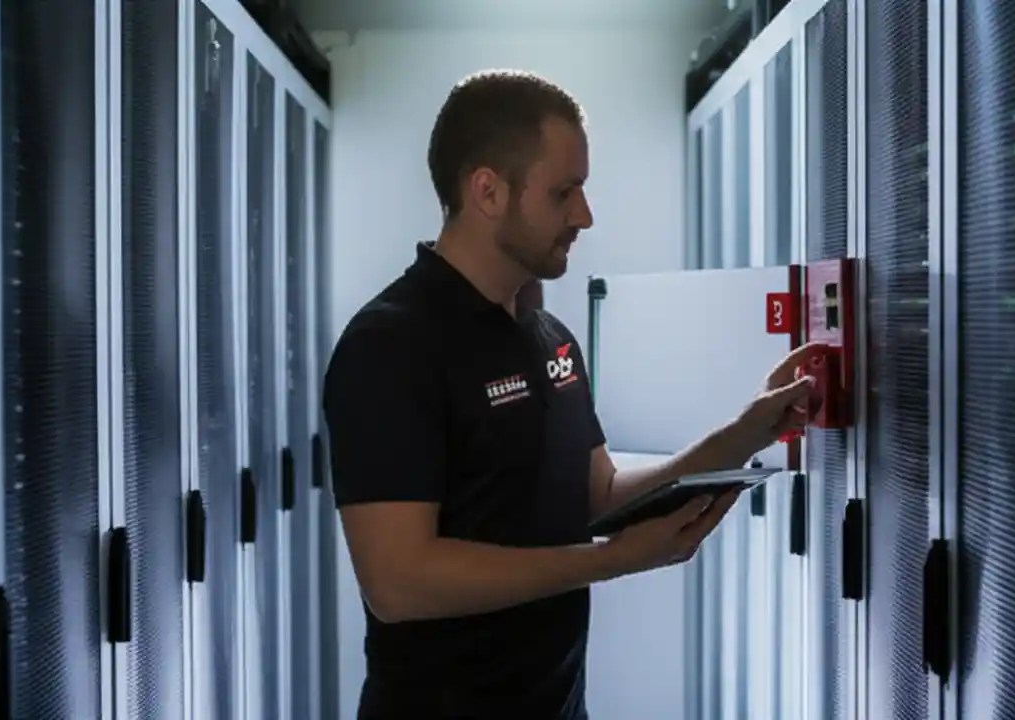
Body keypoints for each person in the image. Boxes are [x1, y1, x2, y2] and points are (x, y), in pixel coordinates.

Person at [322, 69, 820, 719]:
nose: (584, 215)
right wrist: (609, 562)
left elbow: (594, 495)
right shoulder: (390, 345)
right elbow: (398, 581)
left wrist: (749, 432)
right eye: (565, 193)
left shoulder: (550, 339)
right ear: (487, 191)